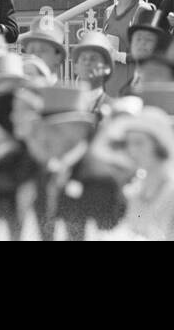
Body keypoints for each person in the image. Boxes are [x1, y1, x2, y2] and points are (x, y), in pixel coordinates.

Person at [31, 86, 127, 239]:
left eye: (55, 129)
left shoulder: (101, 176)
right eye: (43, 129)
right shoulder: (46, 175)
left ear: (80, 128)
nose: (44, 137)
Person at [110, 106, 174, 240]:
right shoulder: (136, 189)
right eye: (129, 144)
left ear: (158, 145)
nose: (132, 150)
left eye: (139, 143)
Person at [99, 0, 150, 97]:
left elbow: (149, 53)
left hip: (134, 83)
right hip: (110, 82)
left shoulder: (143, 10)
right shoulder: (108, 12)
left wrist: (120, 56)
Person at [20, 13, 68, 80]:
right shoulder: (17, 88)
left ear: (58, 57)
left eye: (43, 50)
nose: (36, 55)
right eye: (32, 50)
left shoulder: (62, 90)